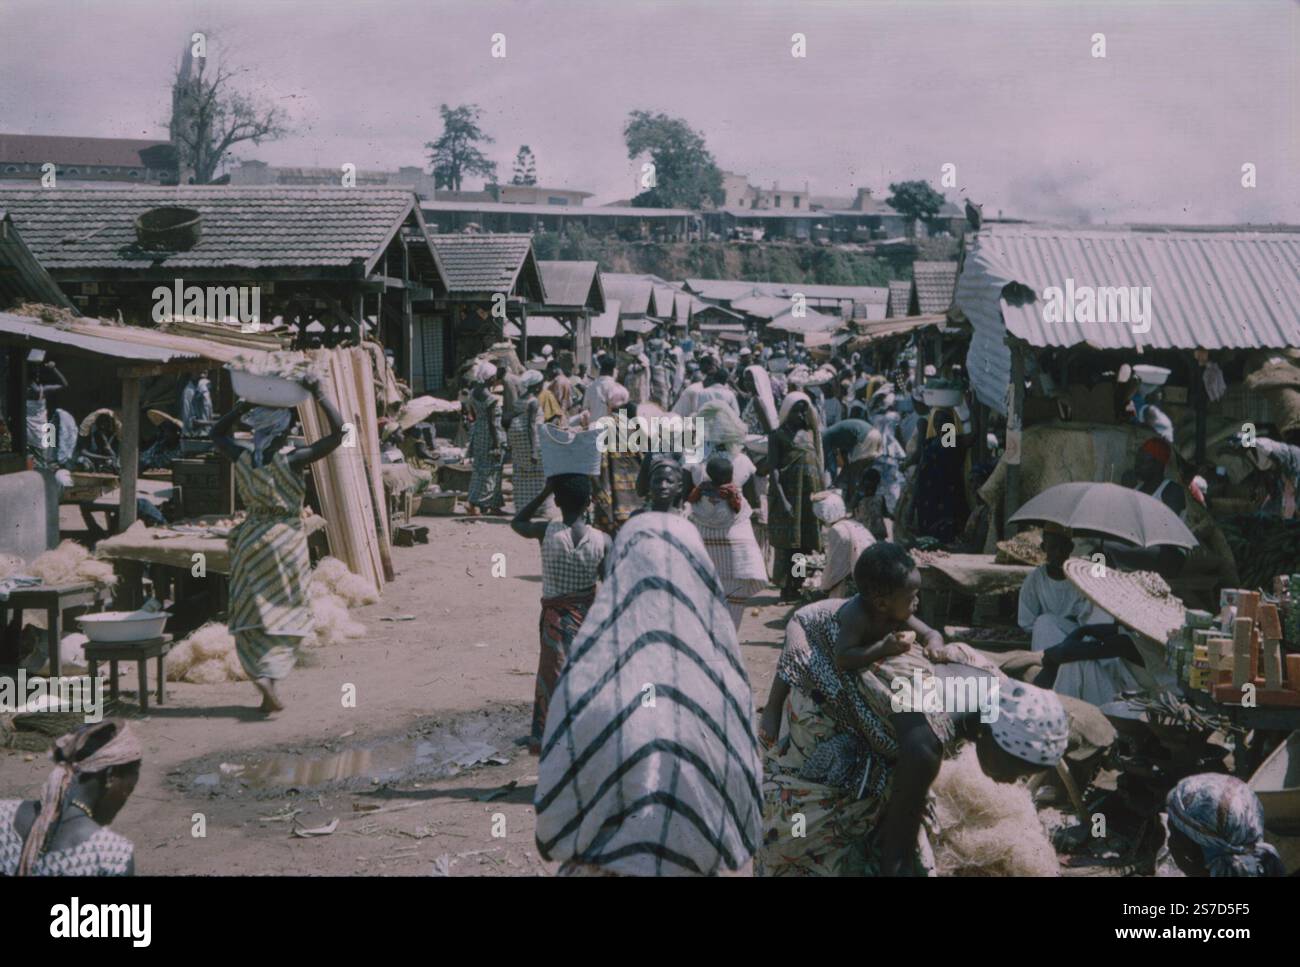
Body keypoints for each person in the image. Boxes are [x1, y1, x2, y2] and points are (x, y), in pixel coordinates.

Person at [757, 543, 1069, 876]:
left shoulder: (989, 680)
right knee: (804, 843)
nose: (1012, 782)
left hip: (874, 708)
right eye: (1017, 769)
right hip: (819, 701)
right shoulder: (924, 745)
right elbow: (897, 860)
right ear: (997, 735)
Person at [533, 512, 762, 876]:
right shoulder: (726, 689)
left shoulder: (587, 683)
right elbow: (743, 806)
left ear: (619, 572)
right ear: (699, 572)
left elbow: (555, 819)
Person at [211, 374, 343, 713]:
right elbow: (340, 434)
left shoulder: (241, 456)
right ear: (283, 430)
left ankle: (260, 674)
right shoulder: (293, 459)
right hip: (285, 541)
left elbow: (215, 433)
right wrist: (319, 393)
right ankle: (271, 675)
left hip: (250, 541)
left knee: (249, 611)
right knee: (288, 612)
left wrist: (241, 406)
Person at [511, 475, 611, 755]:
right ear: (589, 502)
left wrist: (545, 490)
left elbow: (516, 522)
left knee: (552, 677)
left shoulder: (547, 531)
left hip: (555, 621)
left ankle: (548, 738)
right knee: (587, 676)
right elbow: (611, 582)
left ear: (557, 502)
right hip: (588, 618)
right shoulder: (603, 540)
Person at [3, 720, 141, 876]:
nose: (125, 796)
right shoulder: (112, 856)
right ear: (111, 776)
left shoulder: (4, 815)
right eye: (129, 786)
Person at [687, 452, 767, 630]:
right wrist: (733, 497)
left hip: (708, 551)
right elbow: (738, 510)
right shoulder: (732, 490)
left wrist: (701, 492)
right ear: (729, 476)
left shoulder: (703, 488)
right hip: (732, 567)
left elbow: (691, 501)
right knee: (731, 604)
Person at [1165, 774, 1285, 877]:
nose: (1171, 840)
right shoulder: (1264, 864)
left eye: (1175, 831)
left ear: (1209, 842)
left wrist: (1192, 869)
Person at [768, 392, 823, 602]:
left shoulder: (810, 433)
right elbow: (773, 470)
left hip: (808, 498)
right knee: (787, 545)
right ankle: (785, 587)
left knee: (802, 545)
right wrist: (783, 501)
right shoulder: (777, 435)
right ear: (787, 411)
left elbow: (818, 462)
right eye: (796, 410)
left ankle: (798, 585)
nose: (800, 415)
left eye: (803, 410)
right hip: (789, 497)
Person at [590, 388, 642, 537]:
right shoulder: (635, 424)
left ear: (608, 404)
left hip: (612, 500)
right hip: (635, 498)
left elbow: (596, 463)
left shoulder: (602, 426)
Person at [813, 490, 874, 598]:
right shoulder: (853, 523)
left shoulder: (837, 530)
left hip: (855, 584)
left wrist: (823, 588)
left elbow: (836, 568)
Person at [466, 362, 506, 516]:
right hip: (490, 435)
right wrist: (496, 444)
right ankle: (478, 502)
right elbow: (493, 423)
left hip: (479, 433)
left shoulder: (474, 392)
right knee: (492, 469)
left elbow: (475, 415)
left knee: (480, 468)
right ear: (491, 377)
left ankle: (493, 504)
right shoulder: (490, 398)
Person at [508, 370, 547, 513]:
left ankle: (523, 506)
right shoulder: (533, 401)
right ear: (537, 386)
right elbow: (531, 425)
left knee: (521, 472)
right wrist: (534, 451)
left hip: (518, 438)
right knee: (536, 473)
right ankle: (536, 508)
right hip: (529, 438)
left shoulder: (520, 399)